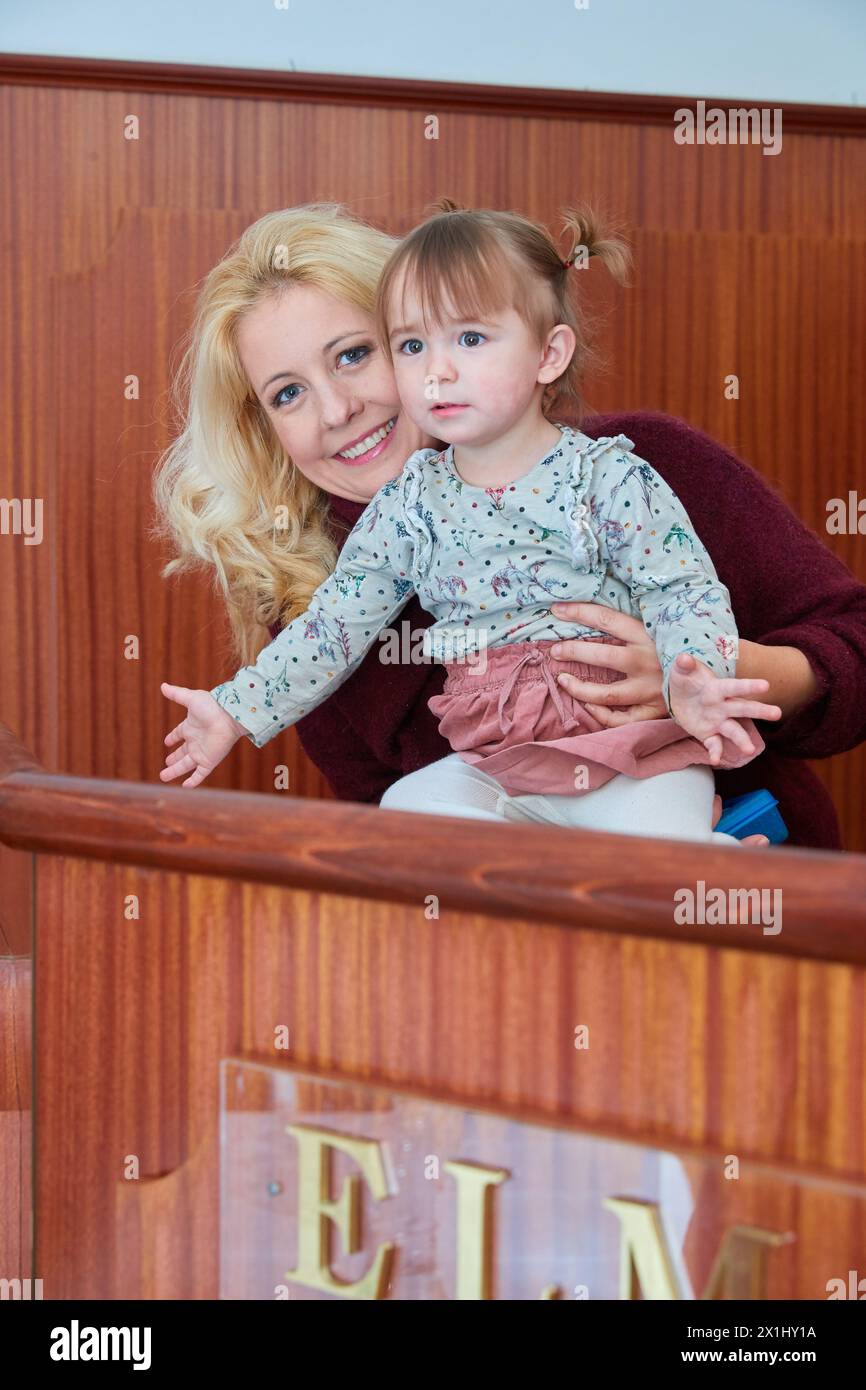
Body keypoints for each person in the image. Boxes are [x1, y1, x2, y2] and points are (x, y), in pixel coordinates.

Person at [152, 202, 866, 850]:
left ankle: (696, 875)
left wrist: (702, 669)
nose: (337, 409)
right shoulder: (346, 569)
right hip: (523, 891)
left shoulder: (629, 469)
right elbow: (397, 835)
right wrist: (232, 710)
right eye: (288, 393)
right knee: (412, 809)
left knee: (657, 857)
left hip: (706, 844)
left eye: (354, 354)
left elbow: (804, 629)